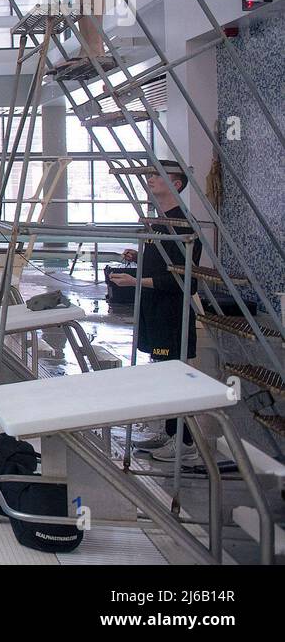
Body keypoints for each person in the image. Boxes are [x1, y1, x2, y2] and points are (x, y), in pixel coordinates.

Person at [108, 164, 204, 465]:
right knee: (162, 372)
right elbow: (164, 262)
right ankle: (169, 432)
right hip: (152, 310)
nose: (150, 179)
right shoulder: (158, 221)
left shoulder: (183, 225)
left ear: (177, 184)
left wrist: (136, 281)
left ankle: (185, 443)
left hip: (171, 314)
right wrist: (139, 257)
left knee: (174, 375)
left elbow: (184, 282)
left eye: (157, 175)